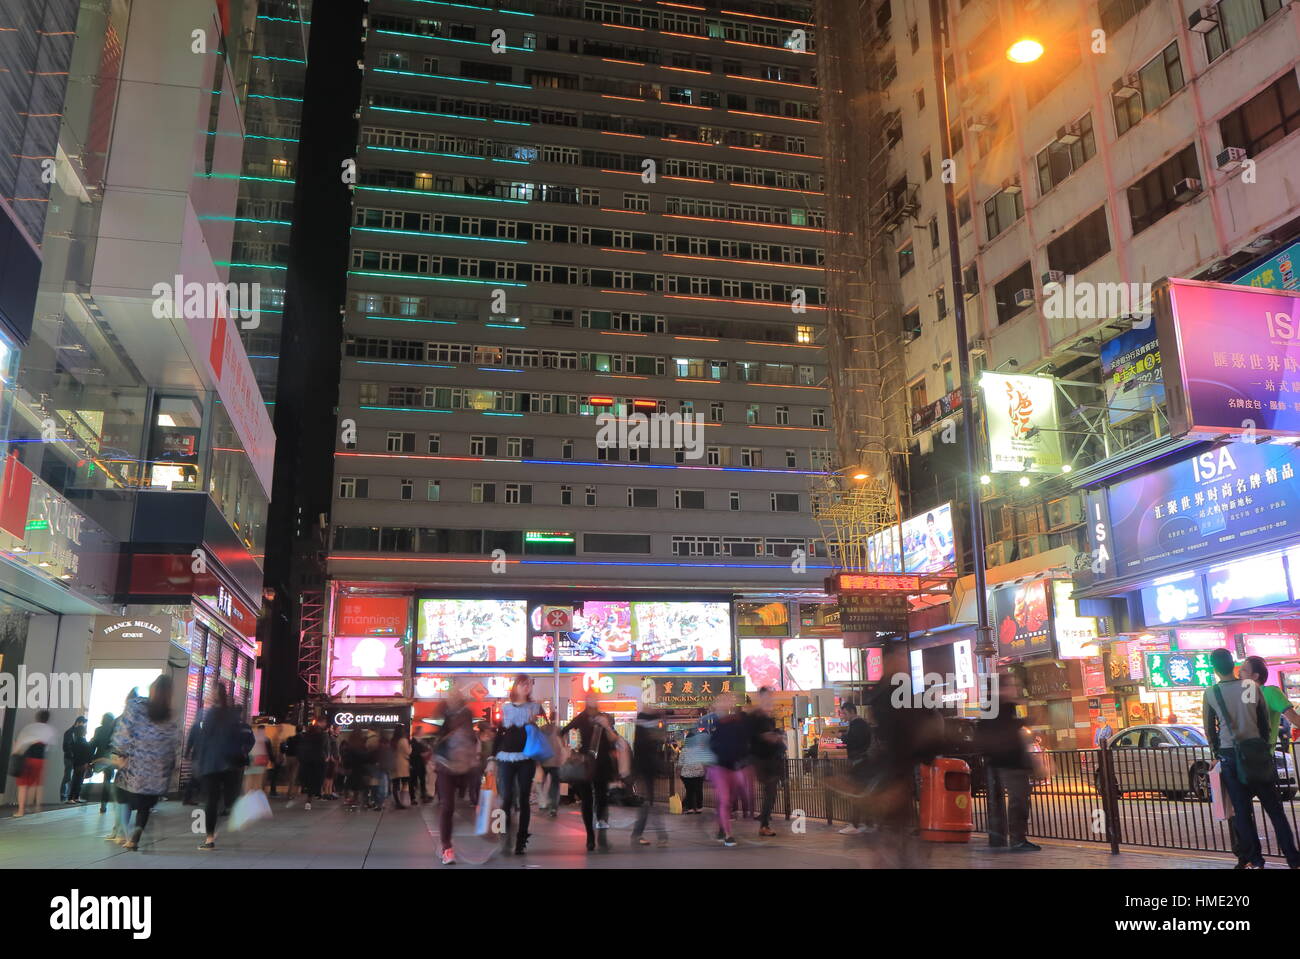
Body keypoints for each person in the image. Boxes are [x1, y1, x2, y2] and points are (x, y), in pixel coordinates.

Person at [1204, 647, 1300, 869]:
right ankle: (1293, 858)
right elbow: (1263, 723)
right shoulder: (1250, 687)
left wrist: (1216, 754)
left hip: (1229, 757)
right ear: (1233, 665)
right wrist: (1262, 747)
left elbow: (1210, 730)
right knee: (1275, 810)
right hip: (1257, 754)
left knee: (1242, 812)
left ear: (1215, 668)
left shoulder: (1211, 693)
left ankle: (1256, 860)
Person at [111, 675, 180, 850]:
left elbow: (124, 731)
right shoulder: (170, 715)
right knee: (145, 806)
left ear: (152, 689)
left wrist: (119, 752)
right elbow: (174, 742)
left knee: (122, 795)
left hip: (134, 766)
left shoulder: (136, 706)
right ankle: (135, 836)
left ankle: (123, 834)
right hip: (156, 770)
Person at [978, 675, 1039, 853]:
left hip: (1009, 761)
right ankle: (1017, 839)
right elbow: (1006, 732)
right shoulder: (999, 709)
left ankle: (1008, 837)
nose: (1014, 689)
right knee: (1018, 800)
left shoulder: (1003, 708)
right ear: (1002, 689)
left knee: (1019, 799)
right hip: (1009, 762)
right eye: (1011, 686)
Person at [193, 683, 250, 851]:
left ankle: (209, 838)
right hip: (230, 763)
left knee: (211, 801)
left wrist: (199, 761)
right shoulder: (233, 716)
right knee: (227, 800)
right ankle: (227, 821)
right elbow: (240, 738)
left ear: (214, 695)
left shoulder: (210, 714)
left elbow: (205, 740)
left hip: (212, 763)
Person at [491, 674, 543, 854]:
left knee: (524, 798)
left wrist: (533, 723)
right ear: (515, 687)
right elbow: (499, 733)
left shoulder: (536, 708)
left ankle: (521, 839)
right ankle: (504, 835)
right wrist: (491, 758)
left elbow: (544, 731)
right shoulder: (505, 708)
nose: (526, 687)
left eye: (528, 684)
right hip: (506, 756)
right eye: (522, 684)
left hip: (527, 758)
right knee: (506, 797)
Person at [561, 691, 619, 851]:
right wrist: (568, 752)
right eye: (590, 698)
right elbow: (563, 731)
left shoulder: (605, 717)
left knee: (602, 799)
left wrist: (606, 726)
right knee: (587, 800)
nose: (593, 700)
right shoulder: (581, 717)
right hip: (585, 763)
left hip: (602, 765)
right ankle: (590, 837)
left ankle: (602, 834)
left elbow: (614, 738)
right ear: (587, 701)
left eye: (595, 698)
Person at [433, 688, 479, 865]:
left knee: (465, 805)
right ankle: (447, 847)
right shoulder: (443, 717)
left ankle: (448, 842)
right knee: (448, 806)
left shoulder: (466, 714)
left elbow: (472, 740)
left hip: (464, 765)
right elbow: (438, 740)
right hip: (445, 765)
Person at [704, 692, 749, 847]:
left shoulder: (738, 722)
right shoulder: (712, 722)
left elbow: (744, 744)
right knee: (724, 801)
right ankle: (728, 834)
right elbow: (711, 744)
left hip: (734, 767)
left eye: (728, 700)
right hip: (720, 768)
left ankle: (722, 829)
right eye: (722, 700)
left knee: (729, 801)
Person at [748, 688, 785, 838]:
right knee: (770, 790)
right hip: (761, 760)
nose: (769, 700)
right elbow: (765, 737)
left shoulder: (769, 718)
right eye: (767, 697)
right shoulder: (756, 717)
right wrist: (776, 736)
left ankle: (764, 823)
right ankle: (763, 823)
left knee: (771, 792)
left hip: (770, 760)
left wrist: (776, 735)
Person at [630, 706, 669, 846]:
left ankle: (641, 834)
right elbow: (655, 738)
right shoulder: (644, 724)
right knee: (650, 803)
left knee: (649, 802)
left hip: (647, 768)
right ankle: (660, 835)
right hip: (645, 768)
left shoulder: (645, 724)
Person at [10, 709, 57, 817]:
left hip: (27, 758)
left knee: (23, 785)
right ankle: (36, 808)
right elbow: (50, 746)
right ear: (48, 719)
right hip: (40, 759)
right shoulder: (50, 730)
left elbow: (20, 743)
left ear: (37, 717)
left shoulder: (30, 728)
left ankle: (21, 811)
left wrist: (15, 753)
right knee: (37, 784)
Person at [838, 702, 873, 835]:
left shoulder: (858, 724)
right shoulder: (861, 724)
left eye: (845, 713)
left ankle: (855, 823)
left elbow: (854, 740)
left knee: (856, 792)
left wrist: (843, 737)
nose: (844, 716)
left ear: (852, 711)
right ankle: (866, 823)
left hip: (859, 761)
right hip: (862, 761)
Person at [678, 714, 710, 814]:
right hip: (698, 773)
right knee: (699, 790)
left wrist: (678, 771)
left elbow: (680, 763)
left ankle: (690, 808)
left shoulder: (684, 750)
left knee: (690, 791)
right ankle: (699, 807)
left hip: (686, 774)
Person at [296, 716, 329, 810]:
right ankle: (313, 795)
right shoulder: (322, 735)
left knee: (309, 780)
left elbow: (301, 747)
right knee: (316, 779)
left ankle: (309, 798)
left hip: (307, 760)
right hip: (318, 760)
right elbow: (324, 747)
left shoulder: (306, 735)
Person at [537, 709, 565, 816]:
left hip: (544, 760)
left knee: (541, 782)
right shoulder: (558, 730)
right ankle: (553, 806)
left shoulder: (542, 729)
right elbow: (562, 746)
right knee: (554, 784)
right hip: (555, 761)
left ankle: (543, 802)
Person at [90, 713, 116, 814]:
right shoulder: (114, 730)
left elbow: (94, 744)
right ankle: (103, 806)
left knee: (97, 777)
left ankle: (86, 796)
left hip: (99, 758)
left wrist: (90, 759)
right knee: (107, 782)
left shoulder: (98, 730)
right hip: (109, 759)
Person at [60, 716, 89, 803]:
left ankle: (73, 797)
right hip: (70, 758)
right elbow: (66, 747)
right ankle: (65, 797)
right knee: (68, 777)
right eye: (83, 723)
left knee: (76, 778)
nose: (83, 725)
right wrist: (73, 755)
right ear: (78, 722)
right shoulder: (70, 732)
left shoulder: (78, 733)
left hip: (76, 759)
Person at [391, 728, 412, 809]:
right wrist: (410, 747)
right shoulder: (403, 740)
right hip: (403, 765)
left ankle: (397, 802)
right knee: (405, 784)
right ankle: (404, 801)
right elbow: (408, 752)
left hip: (394, 764)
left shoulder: (393, 740)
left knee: (395, 785)